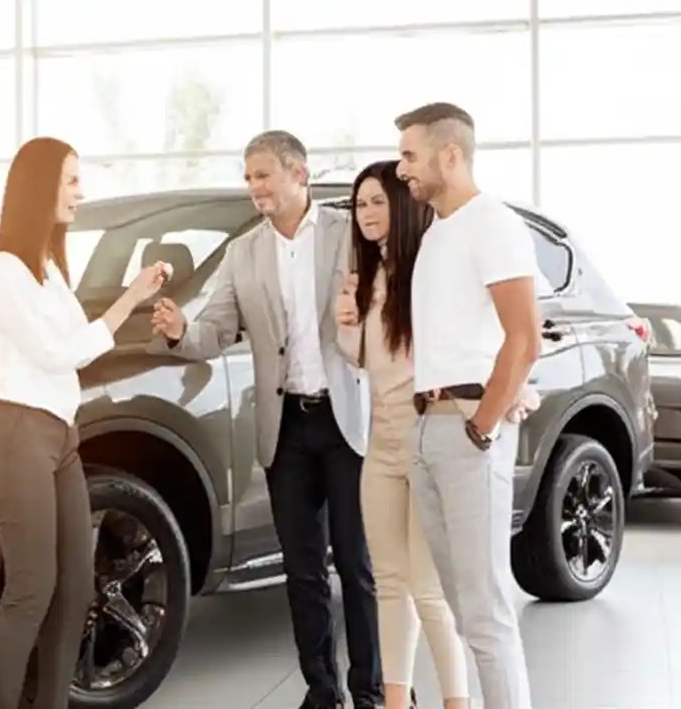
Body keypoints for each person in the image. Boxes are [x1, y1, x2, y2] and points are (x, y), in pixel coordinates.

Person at [149, 130, 382, 709]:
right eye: (248, 177)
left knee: (355, 565)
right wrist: (182, 332)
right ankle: (321, 691)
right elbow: (216, 329)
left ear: (297, 174)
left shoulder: (346, 232)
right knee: (301, 571)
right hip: (287, 430)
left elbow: (386, 307)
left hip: (347, 420)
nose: (254, 187)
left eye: (263, 175)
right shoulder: (243, 252)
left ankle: (372, 691)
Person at [0, 136, 168, 709]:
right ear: (41, 187)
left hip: (60, 438)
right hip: (18, 438)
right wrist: (130, 298)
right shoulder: (4, 271)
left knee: (75, 588)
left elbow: (76, 338)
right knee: (30, 592)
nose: (80, 193)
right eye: (71, 180)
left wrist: (131, 298)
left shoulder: (49, 268)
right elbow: (61, 353)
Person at [394, 101, 541, 709]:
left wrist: (483, 426)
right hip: (428, 428)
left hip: (467, 430)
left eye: (410, 154)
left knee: (485, 611)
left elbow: (525, 335)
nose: (402, 168)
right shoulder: (436, 231)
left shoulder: (492, 223)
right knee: (462, 604)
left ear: (449, 155)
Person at [333, 160, 470, 709]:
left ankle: (457, 702)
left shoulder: (429, 271)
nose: (366, 214)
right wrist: (346, 323)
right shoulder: (367, 276)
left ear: (402, 204)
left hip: (428, 441)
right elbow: (365, 361)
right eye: (359, 204)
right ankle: (395, 702)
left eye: (377, 202)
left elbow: (458, 348)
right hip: (382, 444)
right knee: (388, 584)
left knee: (428, 590)